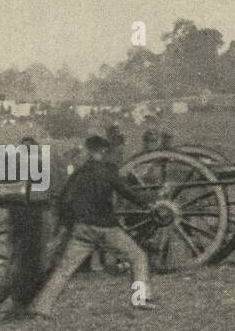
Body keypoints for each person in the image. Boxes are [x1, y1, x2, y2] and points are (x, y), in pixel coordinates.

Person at [26, 135, 156, 318]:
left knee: (64, 270)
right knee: (138, 256)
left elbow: (64, 199)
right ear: (103, 151)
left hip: (81, 228)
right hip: (105, 227)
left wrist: (67, 223)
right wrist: (148, 204)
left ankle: (40, 309)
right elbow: (127, 192)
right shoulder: (108, 170)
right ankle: (140, 300)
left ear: (88, 150)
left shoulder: (79, 172)